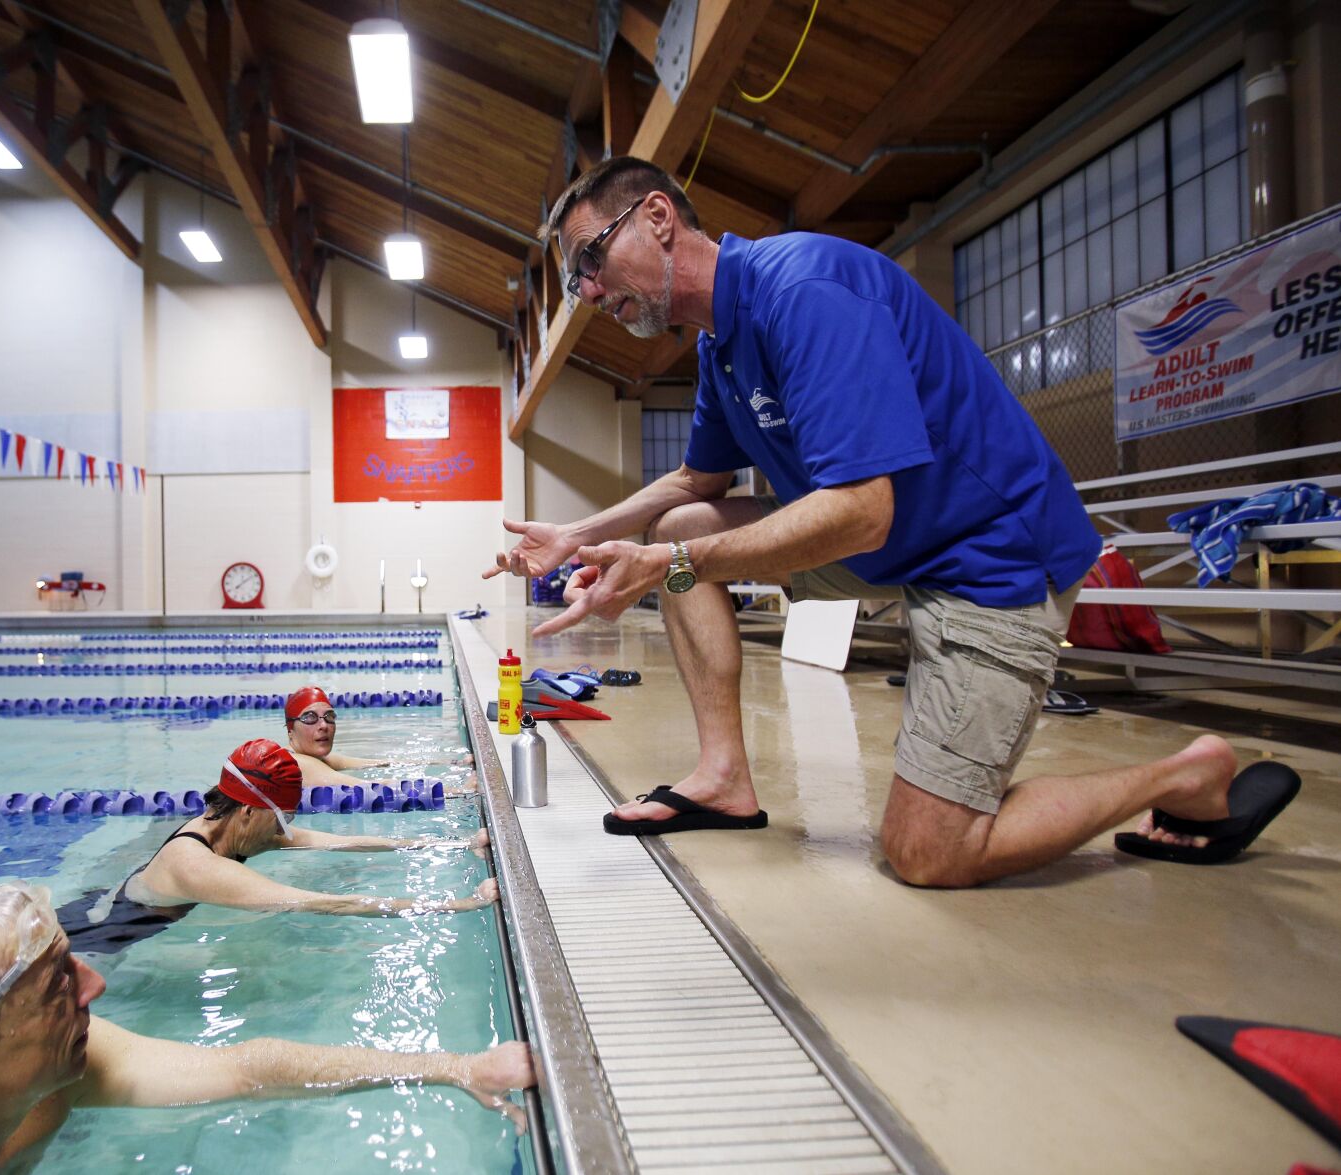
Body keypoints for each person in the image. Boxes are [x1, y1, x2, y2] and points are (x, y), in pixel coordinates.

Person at [486, 154, 1260, 889]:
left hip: (988, 559)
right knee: (681, 523)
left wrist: (672, 563)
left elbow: (859, 513)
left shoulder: (802, 289)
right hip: (897, 546)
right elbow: (697, 478)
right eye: (573, 280)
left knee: (929, 850)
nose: (586, 292)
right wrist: (578, 535)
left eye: (589, 259)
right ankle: (722, 779)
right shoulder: (721, 346)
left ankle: (1184, 774)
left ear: (656, 216)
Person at [0, 883, 534, 1173]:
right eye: (58, 983)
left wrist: (455, 1065)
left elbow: (243, 1067)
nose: (93, 984)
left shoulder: (36, 1077)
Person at [54, 739, 494, 954]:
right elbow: (326, 904)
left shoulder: (233, 828)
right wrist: (460, 905)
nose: (291, 825)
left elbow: (342, 843)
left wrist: (452, 843)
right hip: (95, 939)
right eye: (284, 815)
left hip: (109, 917)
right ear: (248, 812)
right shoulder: (198, 865)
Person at [283, 685, 475, 794]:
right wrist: (458, 791)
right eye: (310, 718)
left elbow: (378, 764)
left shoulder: (313, 757)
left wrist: (454, 762)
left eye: (329, 716)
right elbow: (371, 788)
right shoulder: (299, 764)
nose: (323, 725)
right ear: (290, 730)